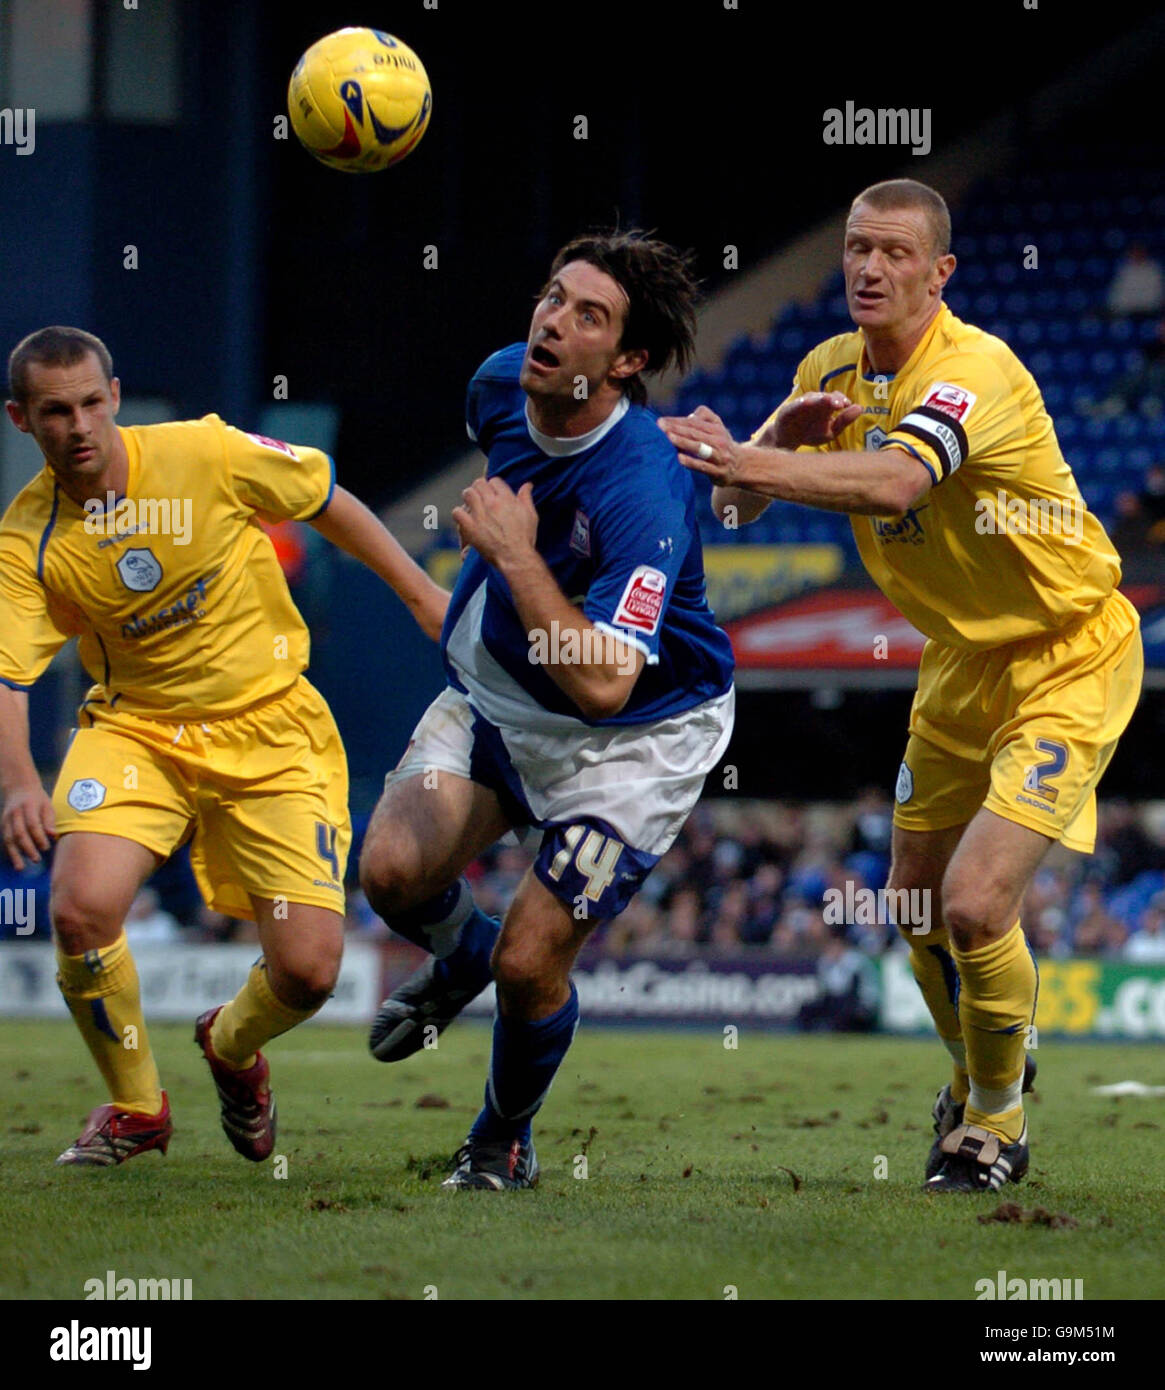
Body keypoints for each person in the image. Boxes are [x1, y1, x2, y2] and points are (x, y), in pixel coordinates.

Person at [659, 179, 1144, 1193]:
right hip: (958, 660)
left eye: (891, 252)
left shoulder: (976, 372)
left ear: (939, 273)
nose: (867, 268)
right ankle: (977, 1069)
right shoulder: (827, 366)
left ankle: (996, 1124)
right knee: (913, 903)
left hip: (1066, 649)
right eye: (853, 249)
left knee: (973, 904)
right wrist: (771, 447)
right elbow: (742, 510)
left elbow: (892, 483)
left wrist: (748, 456)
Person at [0, 326, 448, 1167]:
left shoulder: (206, 451)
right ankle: (136, 1108)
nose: (80, 426)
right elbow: (6, 674)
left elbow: (324, 500)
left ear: (116, 397)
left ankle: (231, 1045)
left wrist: (423, 595)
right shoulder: (27, 540)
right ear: (22, 420)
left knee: (310, 972)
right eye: (56, 411)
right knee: (78, 905)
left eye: (93, 403)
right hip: (137, 731)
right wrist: (20, 781)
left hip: (271, 726)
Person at [359, 231, 735, 1190]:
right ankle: (459, 952)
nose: (552, 323)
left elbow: (607, 680)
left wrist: (521, 558)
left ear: (628, 361)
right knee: (392, 875)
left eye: (589, 316)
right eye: (552, 297)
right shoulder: (500, 386)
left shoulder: (641, 485)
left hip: (632, 740)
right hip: (499, 702)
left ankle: (500, 1141)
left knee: (533, 965)